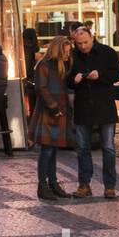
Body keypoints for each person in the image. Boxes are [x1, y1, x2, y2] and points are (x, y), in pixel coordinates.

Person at [69, 25, 119, 198]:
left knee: (108, 147)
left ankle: (109, 186)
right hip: (83, 107)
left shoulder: (107, 52)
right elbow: (65, 80)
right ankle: (84, 184)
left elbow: (118, 74)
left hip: (104, 105)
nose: (83, 46)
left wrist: (100, 75)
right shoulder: (72, 56)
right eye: (79, 44)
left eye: (85, 42)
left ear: (92, 37)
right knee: (82, 147)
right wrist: (74, 80)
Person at [29, 36, 75, 200]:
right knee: (47, 150)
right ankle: (43, 185)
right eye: (66, 52)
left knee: (53, 149)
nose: (67, 55)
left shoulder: (60, 65)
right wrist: (54, 107)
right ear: (58, 50)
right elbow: (41, 88)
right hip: (50, 111)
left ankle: (53, 183)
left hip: (58, 109)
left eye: (69, 52)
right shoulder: (44, 65)